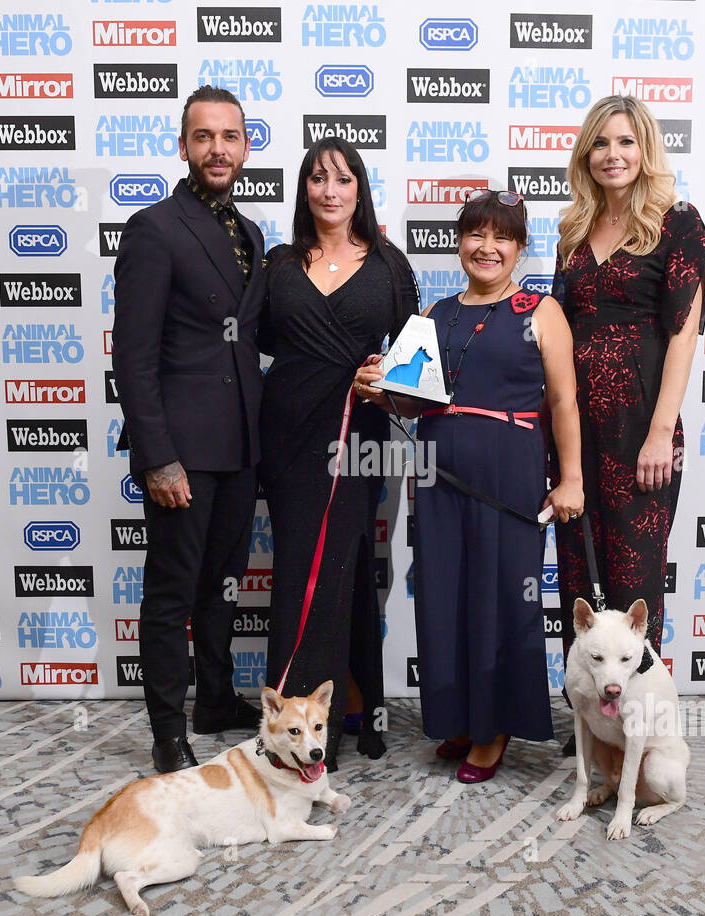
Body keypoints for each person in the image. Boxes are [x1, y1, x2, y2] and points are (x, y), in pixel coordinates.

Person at [355, 190, 584, 783]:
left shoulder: (540, 310)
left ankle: (494, 727)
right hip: (437, 474)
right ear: (460, 242)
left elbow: (563, 401)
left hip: (509, 474)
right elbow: (409, 396)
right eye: (476, 235)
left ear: (518, 247)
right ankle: (458, 716)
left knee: (503, 596)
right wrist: (377, 387)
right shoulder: (434, 314)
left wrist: (572, 478)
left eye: (501, 237)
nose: (487, 248)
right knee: (445, 594)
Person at [111, 86, 266, 775]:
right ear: (183, 146)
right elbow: (133, 357)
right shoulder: (155, 227)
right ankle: (168, 731)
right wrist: (158, 456)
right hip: (182, 449)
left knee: (223, 582)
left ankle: (216, 698)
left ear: (245, 147)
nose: (217, 149)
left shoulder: (252, 233)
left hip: (240, 444)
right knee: (173, 590)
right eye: (204, 137)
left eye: (229, 137)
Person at [259, 138, 419, 771]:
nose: (330, 190)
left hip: (358, 436)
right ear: (304, 189)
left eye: (343, 179)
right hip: (289, 434)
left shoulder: (388, 264)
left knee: (343, 567)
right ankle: (293, 725)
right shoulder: (276, 264)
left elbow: (413, 363)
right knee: (301, 568)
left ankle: (341, 715)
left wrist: (384, 376)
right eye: (317, 178)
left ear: (360, 189)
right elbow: (254, 341)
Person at [550, 95, 705, 714]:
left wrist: (660, 430)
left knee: (634, 585)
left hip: (639, 427)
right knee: (581, 581)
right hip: (573, 432)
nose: (612, 155)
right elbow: (556, 331)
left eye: (625, 142)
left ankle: (638, 724)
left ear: (645, 150)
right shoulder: (574, 231)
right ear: (585, 154)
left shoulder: (679, 223)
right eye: (601, 143)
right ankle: (591, 723)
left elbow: (684, 332)